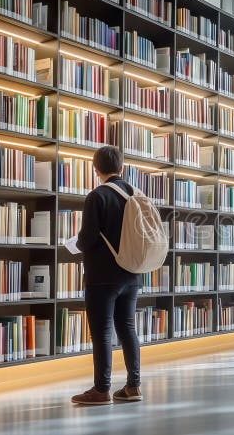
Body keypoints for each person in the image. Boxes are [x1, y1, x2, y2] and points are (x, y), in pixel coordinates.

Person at [71, 146, 143, 405]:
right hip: (132, 272)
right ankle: (133, 386)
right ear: (122, 168)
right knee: (127, 328)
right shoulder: (135, 194)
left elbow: (88, 238)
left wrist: (76, 244)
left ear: (96, 169)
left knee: (102, 332)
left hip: (102, 276)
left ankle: (101, 389)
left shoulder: (97, 196)